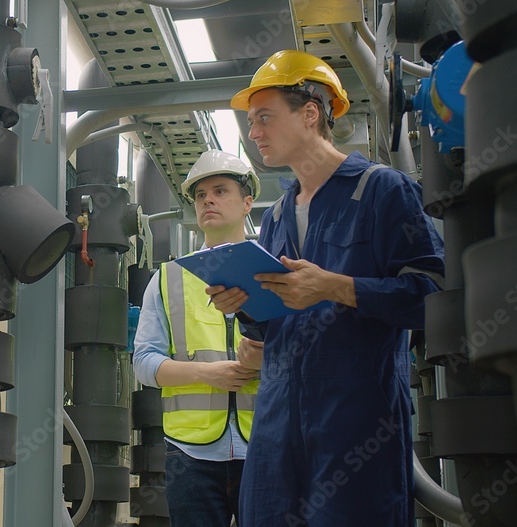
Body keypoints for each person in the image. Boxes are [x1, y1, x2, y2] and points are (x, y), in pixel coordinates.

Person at [215, 49, 445, 526]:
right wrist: (242, 305)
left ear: (310, 113)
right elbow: (272, 323)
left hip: (357, 424)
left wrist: (338, 287)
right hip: (278, 426)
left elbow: (434, 295)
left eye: (264, 118)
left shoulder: (382, 191)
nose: (253, 132)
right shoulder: (276, 216)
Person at [133, 150, 265, 527]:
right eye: (200, 194)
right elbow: (143, 363)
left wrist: (263, 360)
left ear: (247, 203)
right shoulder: (168, 278)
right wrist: (207, 374)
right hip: (191, 456)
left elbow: (306, 354)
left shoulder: (275, 271)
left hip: (267, 446)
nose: (208, 199)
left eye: (220, 191)